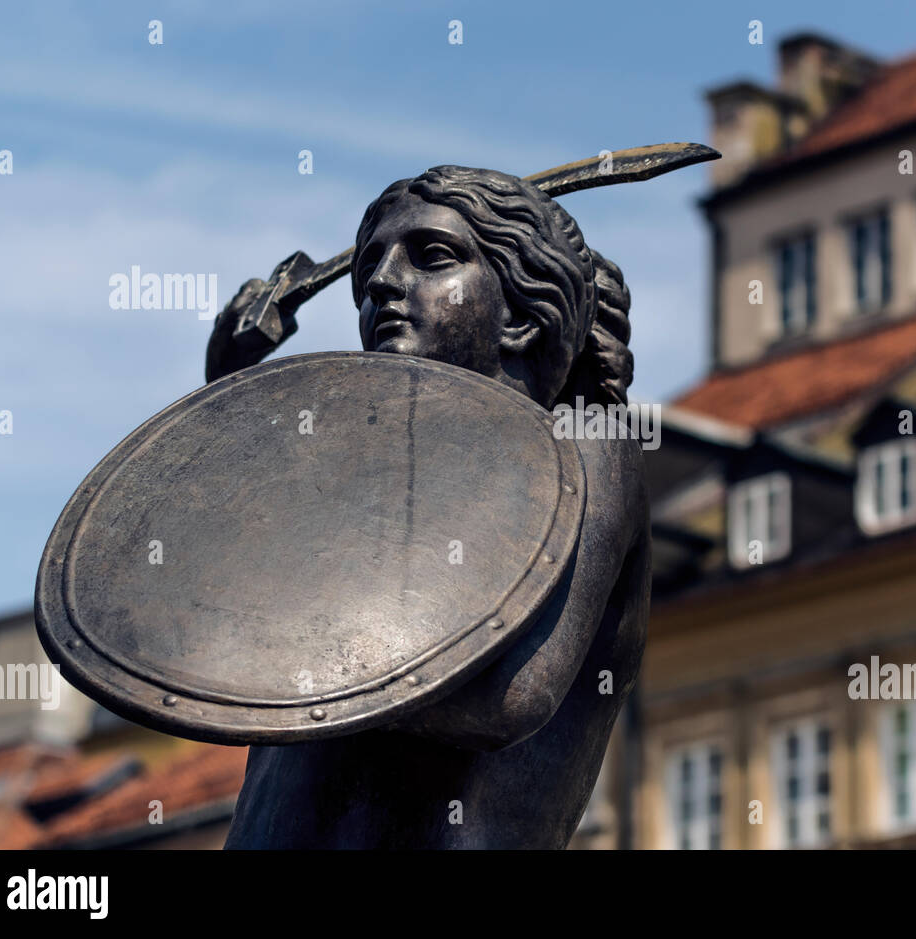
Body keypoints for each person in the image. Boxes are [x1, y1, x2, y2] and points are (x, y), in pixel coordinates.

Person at [212, 166, 650, 848]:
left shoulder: (586, 445)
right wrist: (230, 400)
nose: (382, 283)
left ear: (523, 315)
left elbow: (506, 698)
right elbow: (202, 615)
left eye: (431, 257)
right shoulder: (365, 486)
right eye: (369, 270)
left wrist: (288, 657)